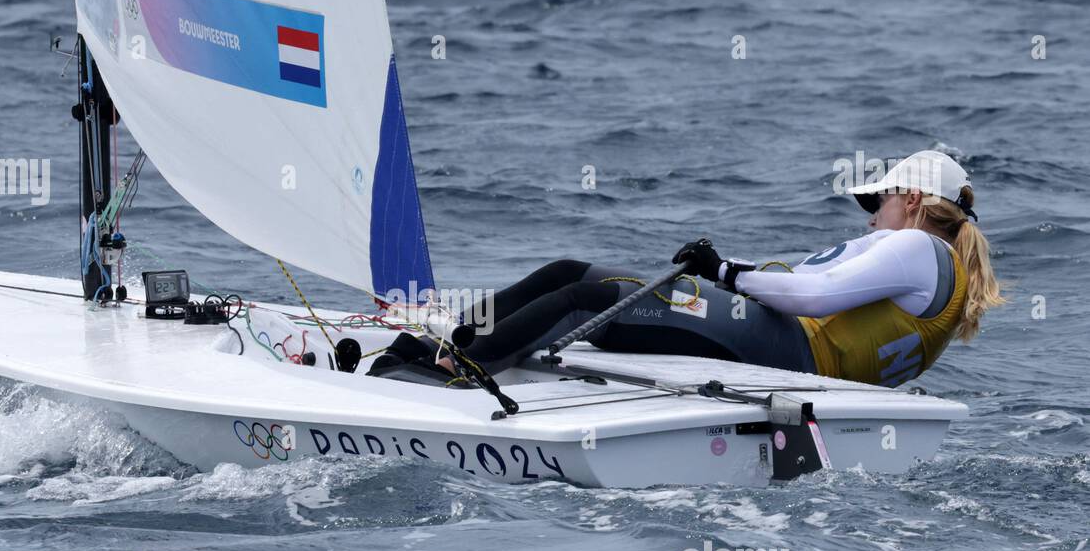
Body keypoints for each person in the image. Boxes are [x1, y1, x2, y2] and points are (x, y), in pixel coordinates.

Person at [373, 150, 1003, 388]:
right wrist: (730, 271)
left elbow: (814, 295)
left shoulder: (922, 250)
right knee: (570, 270)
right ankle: (449, 340)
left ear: (914, 201)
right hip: (785, 342)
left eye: (879, 201)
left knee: (588, 298)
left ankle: (453, 375)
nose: (870, 216)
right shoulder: (942, 273)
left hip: (790, 350)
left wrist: (724, 271)